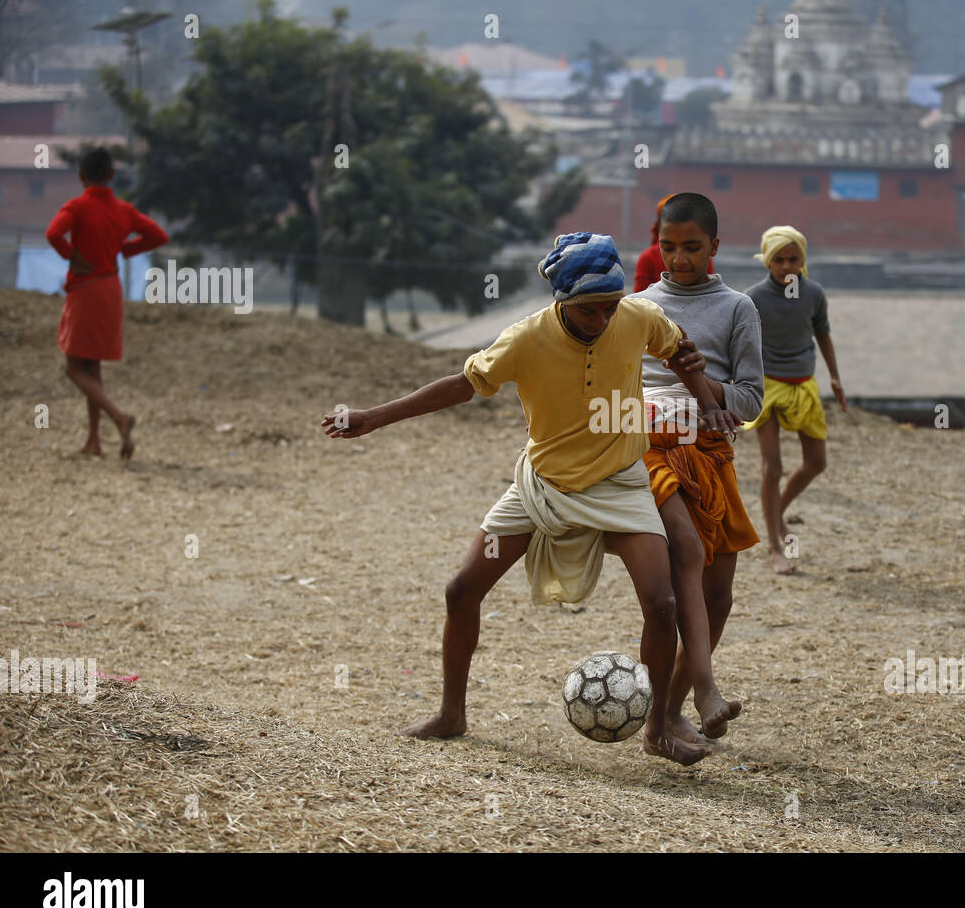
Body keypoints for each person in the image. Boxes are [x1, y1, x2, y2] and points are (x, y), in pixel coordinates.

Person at [323, 232, 738, 766]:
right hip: (544, 485)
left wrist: (707, 405)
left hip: (620, 480)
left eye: (609, 307)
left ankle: (657, 729)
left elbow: (681, 350)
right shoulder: (523, 339)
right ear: (562, 301)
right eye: (590, 310)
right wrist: (372, 417)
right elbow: (462, 385)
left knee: (661, 605)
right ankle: (452, 714)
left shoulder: (635, 316)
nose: (603, 319)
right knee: (461, 590)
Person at [635, 193, 763, 743]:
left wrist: (701, 380)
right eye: (668, 247)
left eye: (691, 248)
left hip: (711, 450)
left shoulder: (738, 309)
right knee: (683, 555)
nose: (679, 259)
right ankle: (685, 700)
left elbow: (751, 402)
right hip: (650, 446)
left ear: (715, 245)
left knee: (719, 597)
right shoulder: (637, 307)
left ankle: (669, 713)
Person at [45, 147, 168, 459]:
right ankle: (93, 442)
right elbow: (158, 236)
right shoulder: (124, 210)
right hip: (111, 288)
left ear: (81, 176)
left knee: (74, 368)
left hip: (86, 289)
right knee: (92, 366)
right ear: (111, 176)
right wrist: (124, 250)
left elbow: (53, 233)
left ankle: (119, 418)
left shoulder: (77, 206)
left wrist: (72, 256)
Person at [741, 225, 846, 575]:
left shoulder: (813, 293)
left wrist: (834, 376)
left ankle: (777, 511)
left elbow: (823, 333)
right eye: (779, 260)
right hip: (767, 386)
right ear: (768, 263)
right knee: (773, 467)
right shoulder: (753, 299)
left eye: (794, 259)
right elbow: (739, 344)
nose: (787, 267)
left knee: (816, 462)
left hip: (803, 383)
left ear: (803, 260)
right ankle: (774, 545)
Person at [634, 193, 713, 292]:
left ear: (713, 247)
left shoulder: (735, 304)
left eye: (692, 248)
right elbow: (640, 302)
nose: (679, 261)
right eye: (668, 248)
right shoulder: (648, 257)